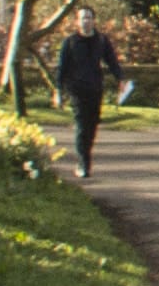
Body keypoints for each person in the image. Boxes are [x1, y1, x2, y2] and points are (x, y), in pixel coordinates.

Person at [50, 10, 118, 180]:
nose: (86, 21)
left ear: (94, 20)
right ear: (77, 22)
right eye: (82, 18)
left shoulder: (101, 41)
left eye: (89, 18)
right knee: (81, 126)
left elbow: (112, 62)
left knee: (92, 126)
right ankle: (83, 163)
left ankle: (85, 155)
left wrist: (121, 79)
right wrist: (58, 91)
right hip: (76, 89)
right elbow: (62, 68)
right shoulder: (70, 42)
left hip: (95, 89)